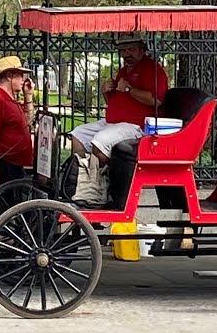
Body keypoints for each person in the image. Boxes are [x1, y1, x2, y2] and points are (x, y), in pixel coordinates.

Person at [69, 32, 169, 204]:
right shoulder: (124, 70)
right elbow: (116, 101)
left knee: (100, 141)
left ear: (142, 49)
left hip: (137, 124)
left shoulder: (153, 70)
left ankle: (99, 187)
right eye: (123, 50)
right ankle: (86, 182)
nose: (126, 54)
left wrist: (129, 90)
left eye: (131, 50)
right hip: (114, 122)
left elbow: (156, 100)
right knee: (78, 134)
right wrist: (105, 92)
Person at [0, 55, 36, 189]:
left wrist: (28, 96)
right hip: (4, 164)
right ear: (10, 76)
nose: (23, 79)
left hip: (14, 165)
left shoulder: (10, 99)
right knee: (0, 208)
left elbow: (27, 121)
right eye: (20, 75)